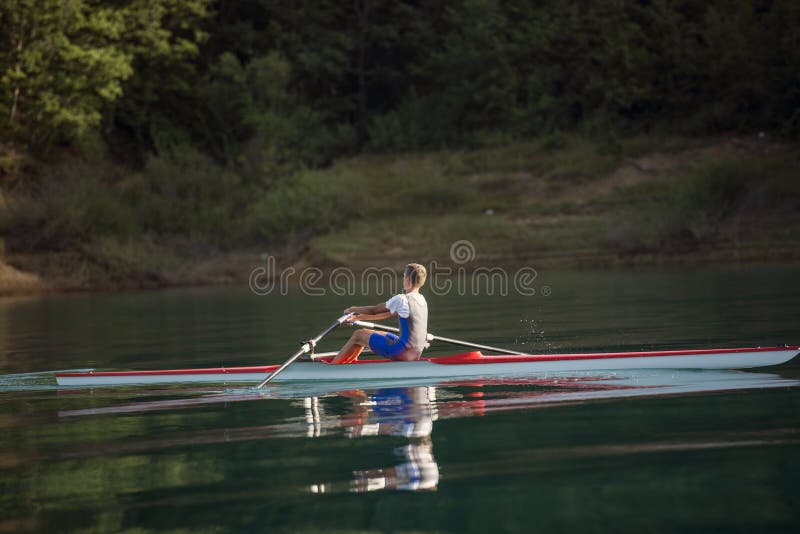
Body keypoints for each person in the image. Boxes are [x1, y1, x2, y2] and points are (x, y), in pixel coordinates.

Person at [332, 263, 428, 364]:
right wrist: (357, 317)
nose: (403, 279)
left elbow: (374, 310)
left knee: (358, 335)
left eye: (404, 276)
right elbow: (388, 314)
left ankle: (334, 366)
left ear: (407, 279)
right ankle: (351, 363)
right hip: (416, 352)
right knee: (368, 332)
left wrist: (351, 309)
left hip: (401, 351)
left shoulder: (401, 299)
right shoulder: (422, 300)